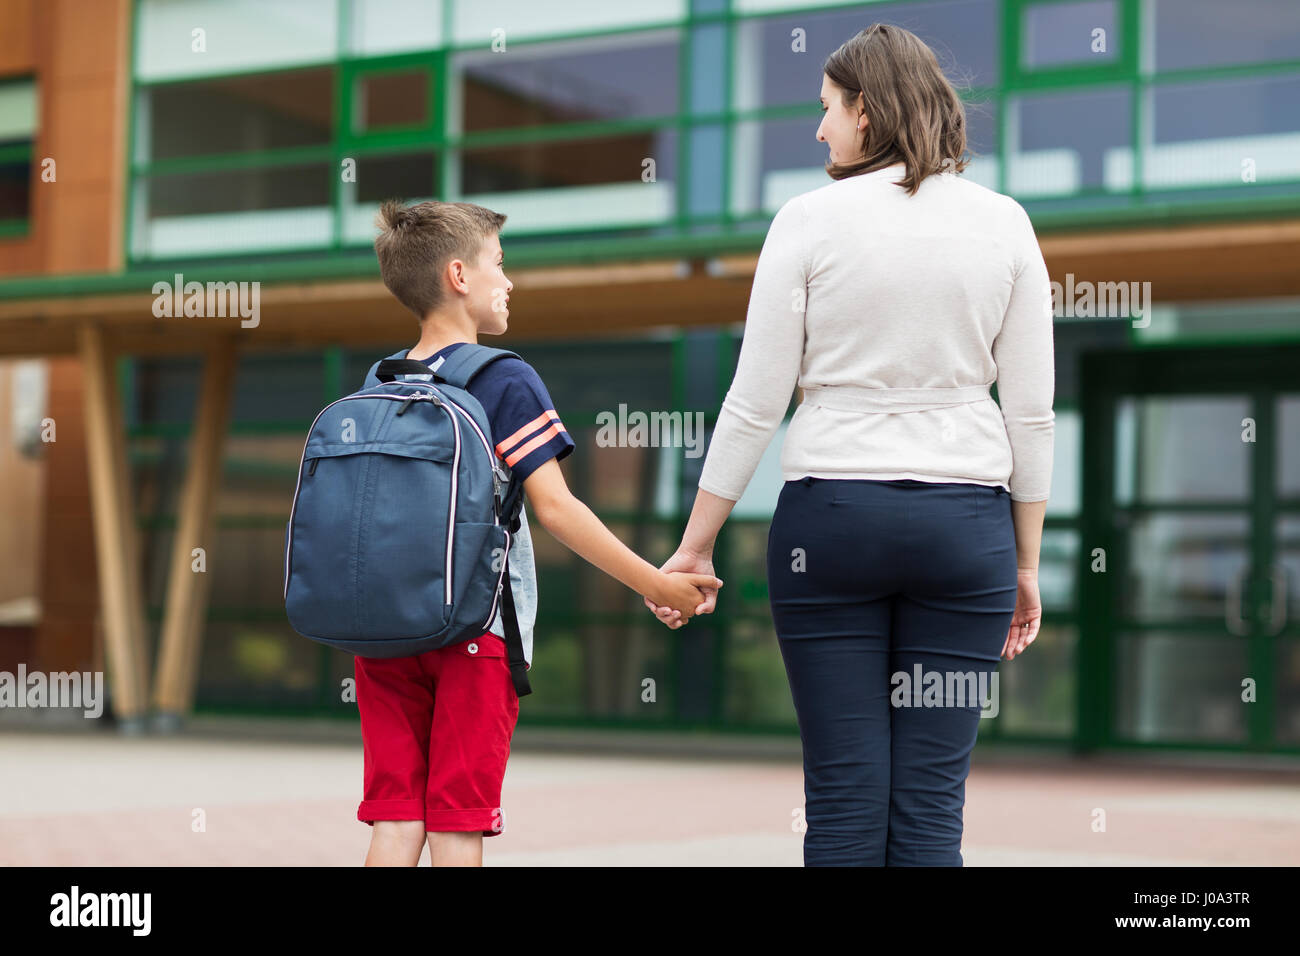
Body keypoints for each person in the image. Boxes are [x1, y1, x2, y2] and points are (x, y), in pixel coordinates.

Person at [646, 23, 1055, 866]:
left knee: (842, 799)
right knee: (932, 809)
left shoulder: (806, 220)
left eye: (827, 108)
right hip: (966, 530)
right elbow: (1032, 412)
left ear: (866, 111)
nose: (820, 127)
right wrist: (1022, 563)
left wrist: (695, 542)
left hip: (831, 524)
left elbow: (755, 401)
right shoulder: (1005, 223)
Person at [357, 198, 722, 866]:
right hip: (476, 630)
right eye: (500, 264)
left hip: (382, 630)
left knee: (396, 817)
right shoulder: (504, 379)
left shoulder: (378, 381)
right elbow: (556, 510)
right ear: (460, 276)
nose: (511, 281)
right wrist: (657, 584)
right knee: (457, 820)